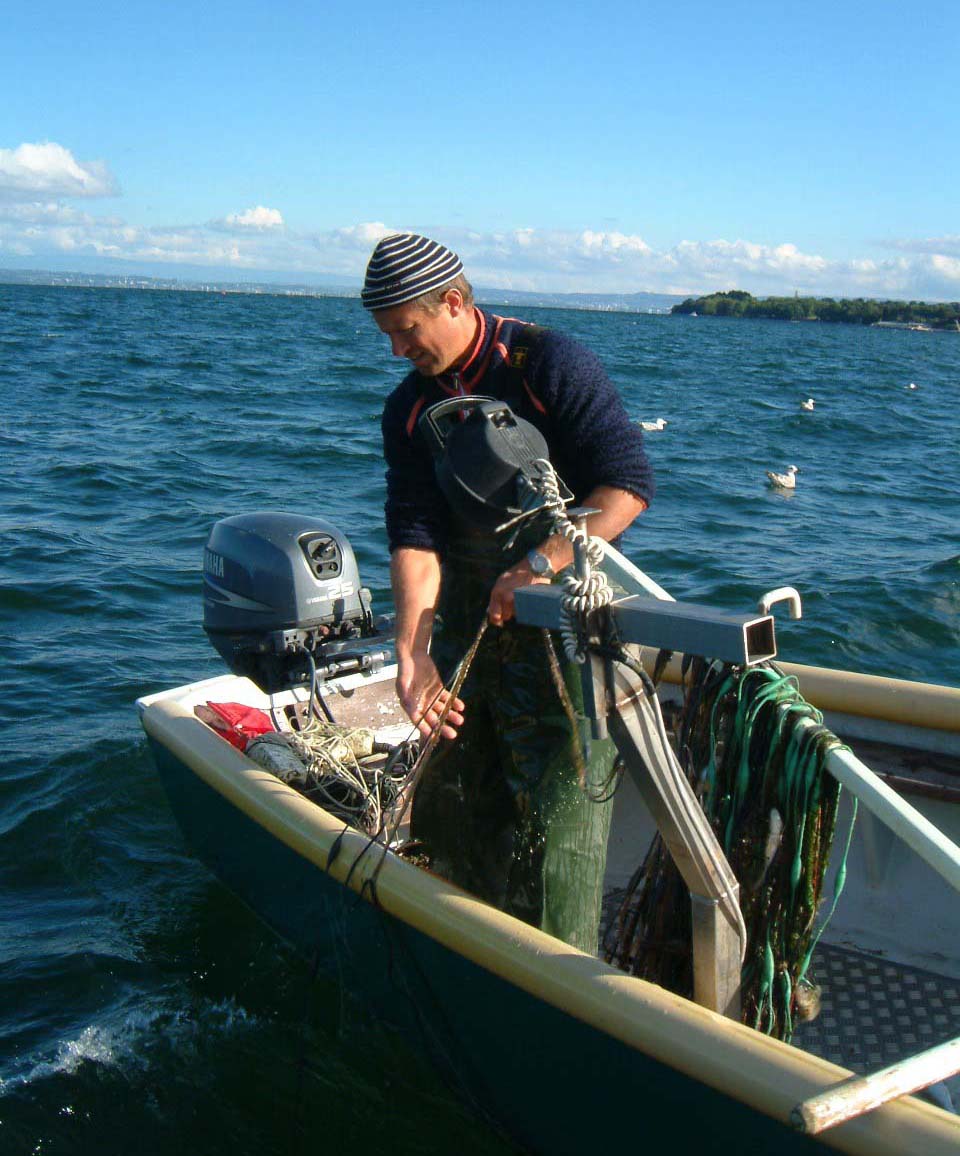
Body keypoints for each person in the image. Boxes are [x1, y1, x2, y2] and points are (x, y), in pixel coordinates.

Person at [363, 232, 654, 952]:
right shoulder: (408, 408)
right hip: (466, 617)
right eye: (388, 336)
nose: (399, 351)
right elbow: (414, 532)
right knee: (454, 792)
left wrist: (539, 563)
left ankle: (562, 975)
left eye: (407, 332)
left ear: (454, 302)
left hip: (562, 619)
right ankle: (458, 942)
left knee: (560, 808)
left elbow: (626, 486)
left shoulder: (548, 364)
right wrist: (413, 652)